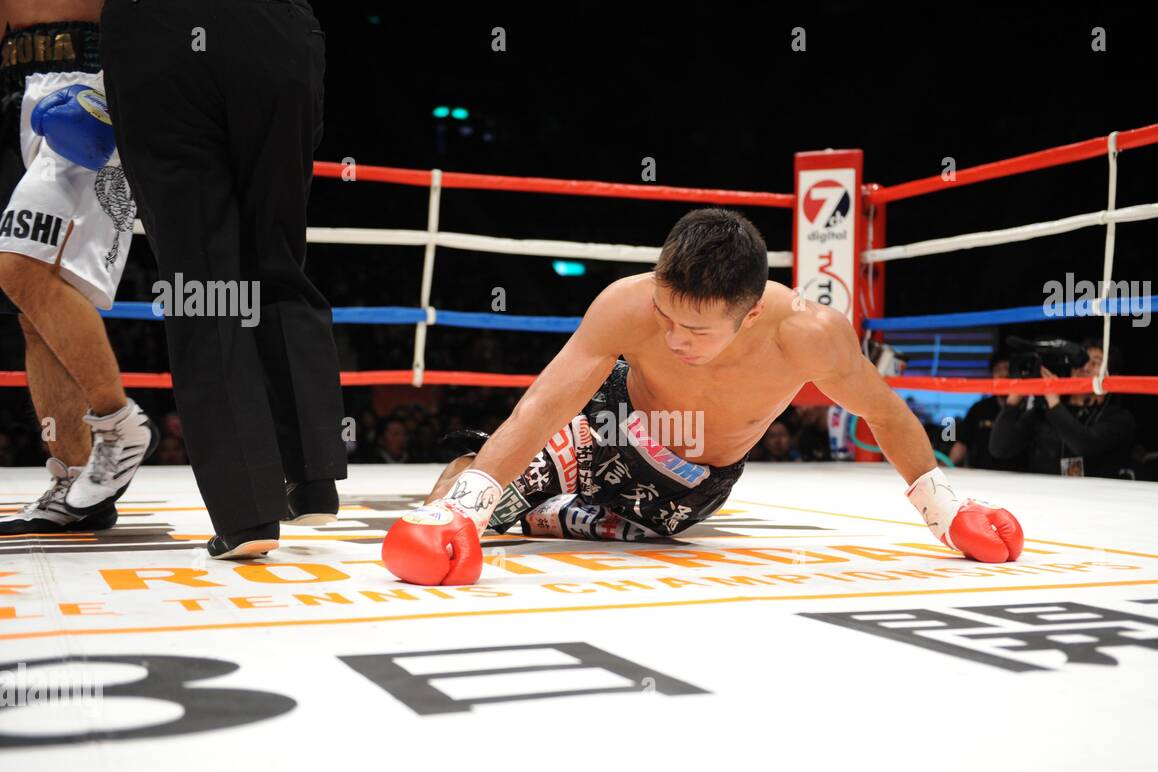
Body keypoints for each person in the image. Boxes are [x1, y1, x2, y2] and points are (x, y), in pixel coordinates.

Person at [383, 209, 1025, 586]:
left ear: (749, 316)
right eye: (666, 316)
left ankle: (522, 509)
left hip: (687, 484)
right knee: (468, 495)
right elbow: (543, 405)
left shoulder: (808, 334)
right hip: (608, 424)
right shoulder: (626, 305)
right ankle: (459, 505)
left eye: (696, 330)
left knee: (561, 525)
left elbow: (884, 413)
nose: (673, 337)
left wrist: (946, 510)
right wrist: (462, 506)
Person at [99, 0, 346, 558]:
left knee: (204, 284)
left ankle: (247, 512)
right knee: (277, 259)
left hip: (159, 33)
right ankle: (310, 477)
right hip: (275, 29)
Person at [0, 9, 156, 535]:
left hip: (92, 84)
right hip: (18, 90)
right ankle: (73, 485)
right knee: (36, 306)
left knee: (19, 268)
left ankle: (118, 424)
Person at [989, 339, 1136, 478]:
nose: (1085, 367)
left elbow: (1084, 444)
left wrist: (1052, 398)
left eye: (1095, 363)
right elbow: (1000, 448)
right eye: (1081, 360)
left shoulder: (1118, 417)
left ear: (1111, 374)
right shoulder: (1044, 410)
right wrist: (1015, 397)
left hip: (1095, 500)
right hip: (1044, 499)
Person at [951, 354, 1021, 470]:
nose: (1003, 375)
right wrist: (948, 464)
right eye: (998, 370)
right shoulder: (979, 408)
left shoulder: (1027, 409)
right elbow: (963, 442)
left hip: (1020, 478)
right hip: (982, 476)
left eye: (1007, 370)